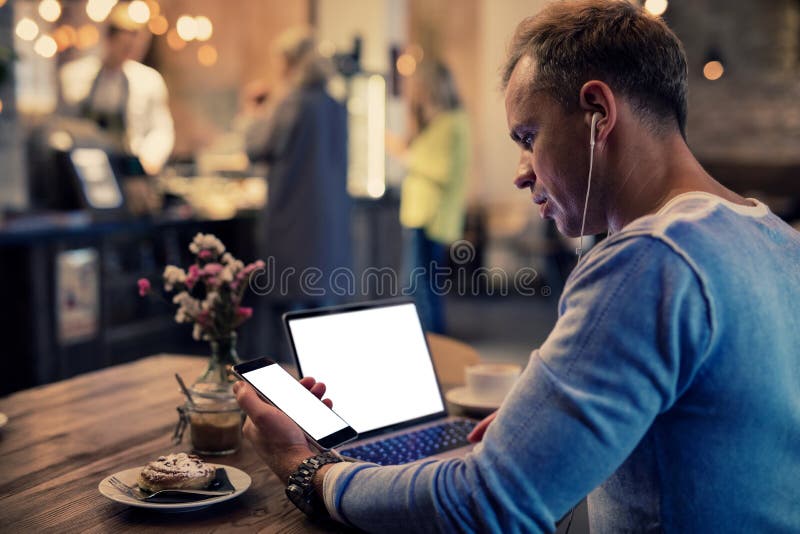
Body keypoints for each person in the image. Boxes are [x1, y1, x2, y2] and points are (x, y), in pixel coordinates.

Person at [235, 1, 800, 532]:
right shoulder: (774, 236)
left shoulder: (651, 259)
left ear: (598, 113)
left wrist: (310, 469)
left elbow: (489, 504)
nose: (520, 172)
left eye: (528, 138)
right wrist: (546, 425)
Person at [238, 28, 351, 357]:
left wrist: (252, 110)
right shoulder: (333, 103)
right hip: (327, 229)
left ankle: (287, 398)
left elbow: (257, 146)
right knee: (320, 320)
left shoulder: (292, 102)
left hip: (294, 226)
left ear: (289, 62)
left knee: (286, 322)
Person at [395, 60, 469, 334]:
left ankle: (431, 345)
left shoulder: (450, 123)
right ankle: (433, 344)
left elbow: (439, 169)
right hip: (424, 213)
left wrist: (405, 156)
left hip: (429, 216)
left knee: (418, 287)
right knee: (424, 286)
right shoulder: (444, 122)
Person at [59, 3, 174, 175]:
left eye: (138, 43)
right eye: (126, 44)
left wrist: (149, 159)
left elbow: (161, 129)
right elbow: (62, 124)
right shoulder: (73, 76)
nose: (132, 49)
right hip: (86, 167)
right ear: (109, 38)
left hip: (130, 168)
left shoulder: (149, 81)